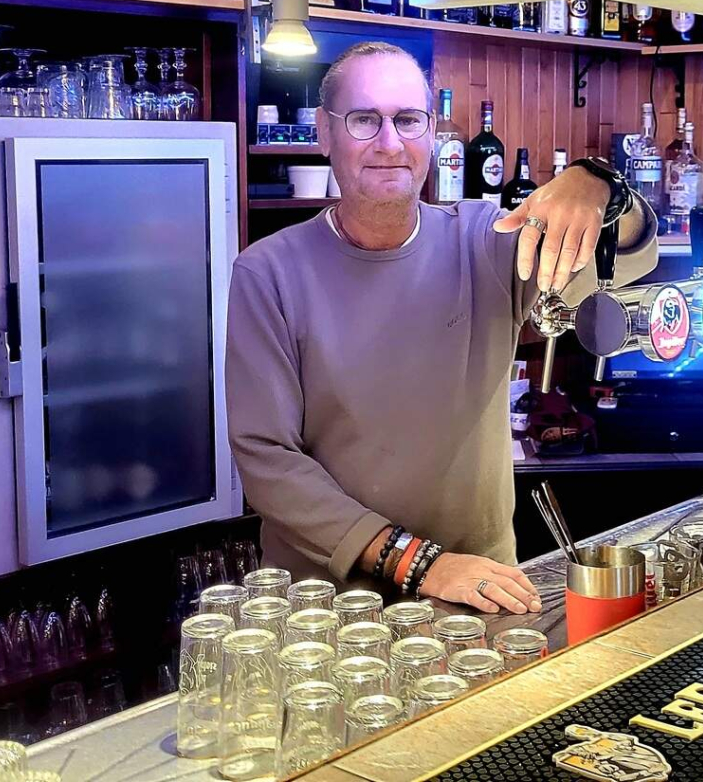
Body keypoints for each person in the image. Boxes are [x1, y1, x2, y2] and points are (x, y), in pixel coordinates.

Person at [227, 40, 658, 614]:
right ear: (324, 135)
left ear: (431, 133)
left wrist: (600, 186)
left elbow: (630, 260)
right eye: (363, 120)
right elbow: (267, 462)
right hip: (329, 611)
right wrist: (421, 563)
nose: (389, 143)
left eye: (408, 119)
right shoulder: (268, 272)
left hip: (481, 597)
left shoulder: (487, 239)